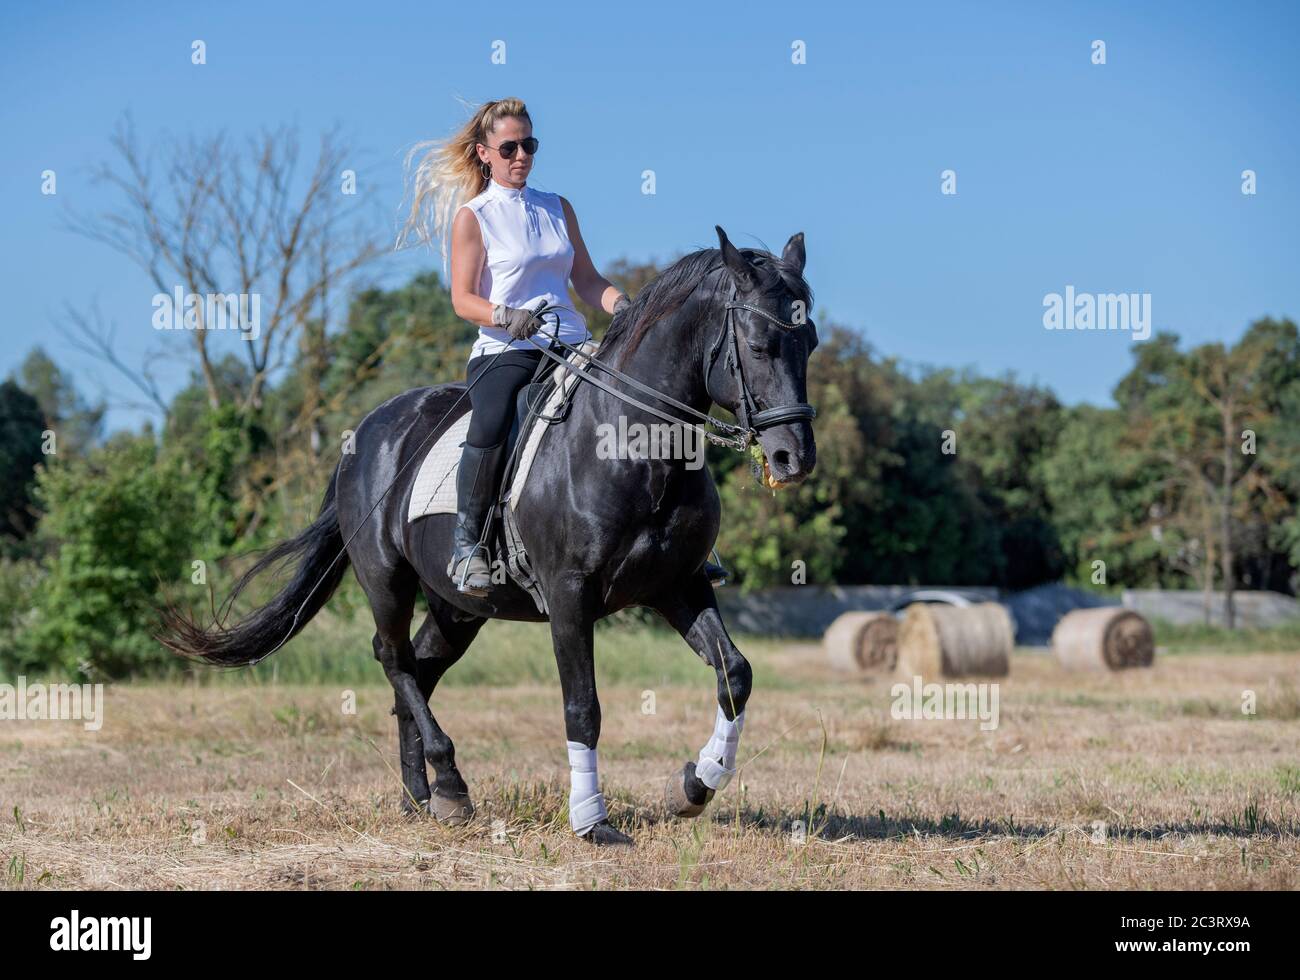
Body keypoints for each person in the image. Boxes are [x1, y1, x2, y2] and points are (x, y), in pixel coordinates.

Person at [398, 97, 727, 595]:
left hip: (569, 342)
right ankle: (470, 544)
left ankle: (689, 545)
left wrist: (627, 308)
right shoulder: (475, 216)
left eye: (529, 144)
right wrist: (507, 315)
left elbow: (588, 280)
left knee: (643, 407)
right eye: (509, 147)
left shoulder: (558, 207)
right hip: (505, 349)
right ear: (485, 153)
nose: (521, 155)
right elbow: (463, 300)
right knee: (492, 423)